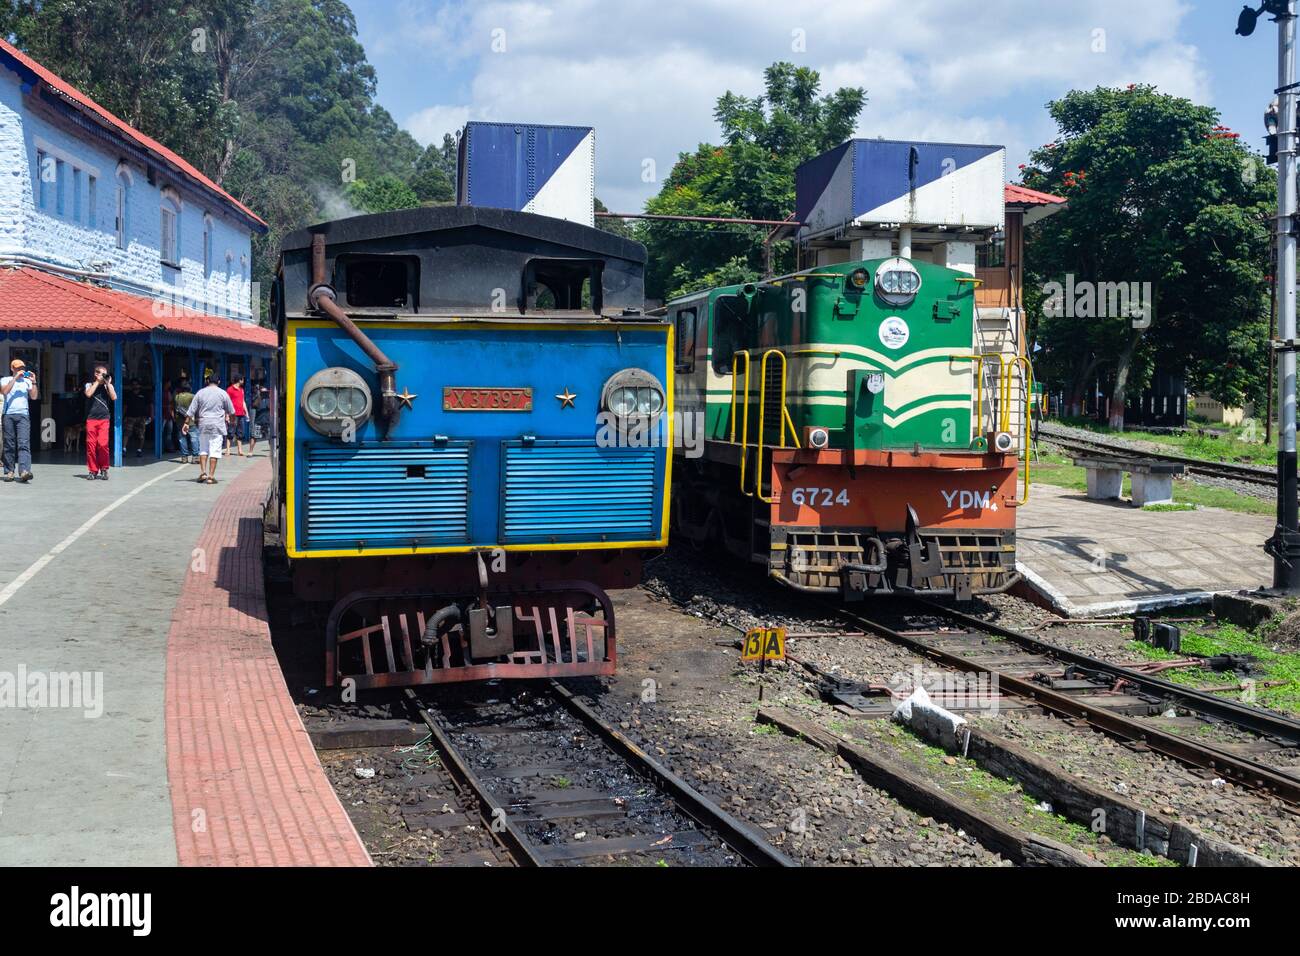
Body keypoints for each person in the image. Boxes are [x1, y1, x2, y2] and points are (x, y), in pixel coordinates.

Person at [182, 376, 234, 485]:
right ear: (219, 381)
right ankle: (211, 477)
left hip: (203, 424)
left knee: (203, 449)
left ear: (207, 381)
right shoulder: (223, 393)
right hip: (217, 426)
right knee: (215, 450)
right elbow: (231, 411)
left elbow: (191, 410)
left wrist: (186, 423)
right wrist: (232, 422)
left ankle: (203, 473)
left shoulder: (200, 393)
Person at [1, 358, 37, 483]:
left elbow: (34, 396)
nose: (20, 370)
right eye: (17, 368)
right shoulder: (5, 380)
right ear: (12, 368)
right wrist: (15, 378)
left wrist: (33, 382)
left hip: (23, 415)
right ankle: (9, 471)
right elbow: (4, 391)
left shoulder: (27, 381)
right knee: (9, 444)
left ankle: (24, 471)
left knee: (24, 443)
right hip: (8, 414)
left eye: (22, 368)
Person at [84, 364, 116, 480]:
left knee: (103, 445)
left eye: (104, 374)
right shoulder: (89, 384)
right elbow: (88, 394)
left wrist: (108, 383)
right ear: (96, 374)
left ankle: (104, 468)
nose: (103, 376)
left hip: (104, 419)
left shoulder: (108, 386)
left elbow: (114, 397)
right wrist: (97, 382)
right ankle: (92, 470)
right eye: (100, 373)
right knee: (91, 446)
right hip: (91, 419)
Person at [124, 378, 151, 458]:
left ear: (139, 385)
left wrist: (151, 415)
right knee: (127, 433)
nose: (135, 386)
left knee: (141, 435)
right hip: (130, 417)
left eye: (136, 384)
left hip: (141, 417)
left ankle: (139, 450)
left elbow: (150, 405)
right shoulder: (128, 394)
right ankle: (124, 449)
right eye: (133, 384)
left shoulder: (144, 394)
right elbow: (125, 406)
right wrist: (123, 416)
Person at [173, 379, 196, 463]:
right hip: (191, 421)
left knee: (182, 438)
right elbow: (195, 409)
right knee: (194, 438)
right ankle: (195, 457)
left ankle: (184, 457)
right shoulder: (192, 396)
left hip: (180, 421)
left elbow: (174, 408)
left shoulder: (177, 396)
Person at [226, 374, 248, 457]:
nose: (243, 381)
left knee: (240, 432)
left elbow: (243, 402)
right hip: (233, 414)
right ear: (239, 380)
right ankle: (228, 450)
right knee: (231, 432)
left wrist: (246, 412)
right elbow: (227, 403)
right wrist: (227, 414)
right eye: (242, 379)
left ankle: (240, 450)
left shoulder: (242, 390)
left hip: (241, 414)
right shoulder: (230, 389)